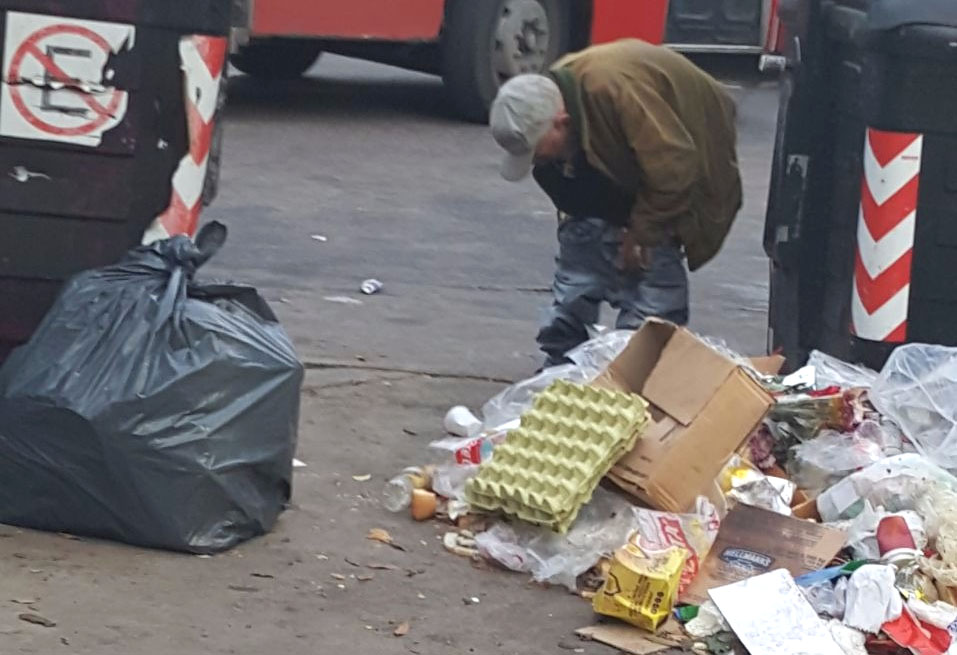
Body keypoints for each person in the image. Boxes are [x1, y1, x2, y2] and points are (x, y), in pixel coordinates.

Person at [489, 39, 742, 368]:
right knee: (584, 239)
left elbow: (674, 168)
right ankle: (563, 357)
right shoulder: (551, 98)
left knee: (650, 262)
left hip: (683, 146)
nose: (536, 159)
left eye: (537, 147)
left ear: (561, 121)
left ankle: (641, 362)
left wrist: (642, 233)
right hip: (625, 153)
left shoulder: (614, 91)